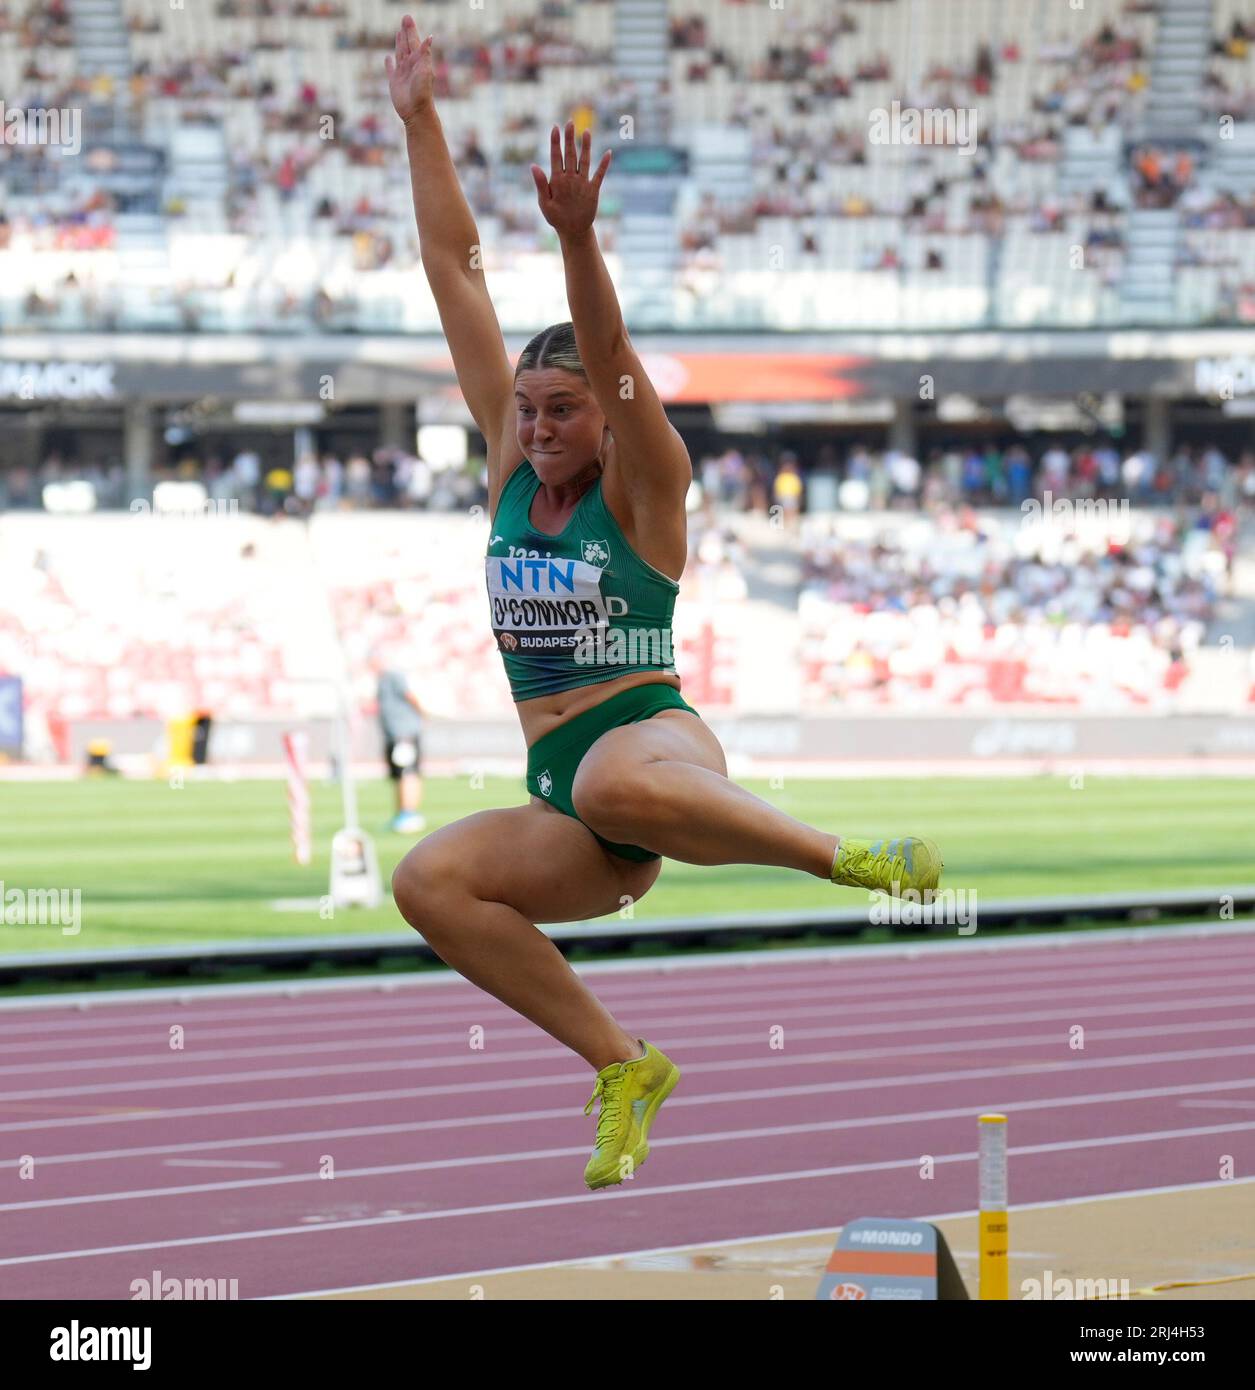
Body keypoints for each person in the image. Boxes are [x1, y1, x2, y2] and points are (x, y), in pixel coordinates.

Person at [385, 18, 943, 1192]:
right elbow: (455, 275)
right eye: (526, 409)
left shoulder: (648, 488)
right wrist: (420, 122)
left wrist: (579, 245)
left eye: (560, 410)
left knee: (608, 777)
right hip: (572, 808)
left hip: (652, 742)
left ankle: (845, 860)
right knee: (426, 879)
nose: (536, 428)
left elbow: (613, 349)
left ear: (607, 414)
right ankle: (621, 1062)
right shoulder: (506, 464)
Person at [374, 655, 427, 834]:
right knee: (399, 775)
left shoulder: (393, 675)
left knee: (407, 773)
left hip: (403, 734)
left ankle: (408, 813)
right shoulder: (382, 679)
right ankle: (401, 813)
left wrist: (422, 713)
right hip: (395, 734)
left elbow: (409, 695)